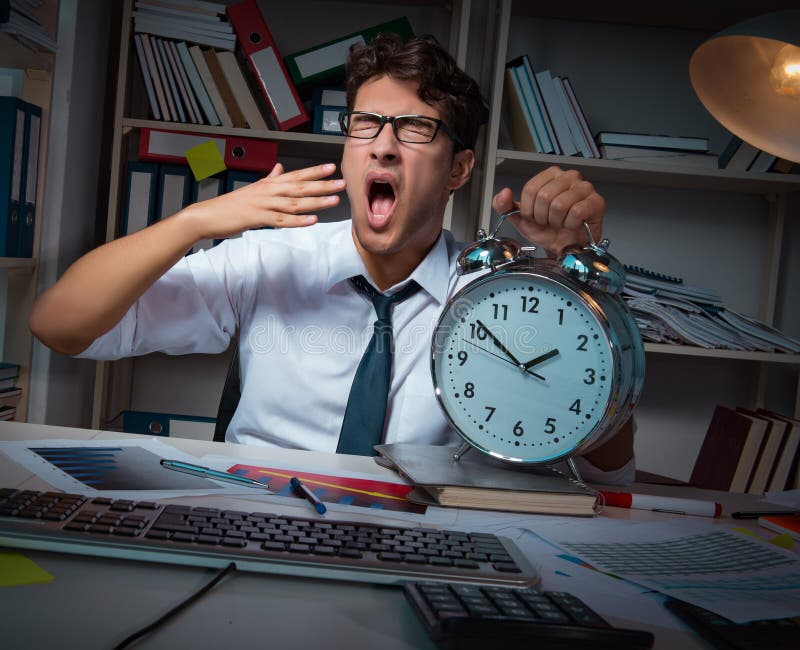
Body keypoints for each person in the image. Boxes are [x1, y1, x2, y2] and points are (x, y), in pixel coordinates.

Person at [29, 34, 635, 483]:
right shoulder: (269, 259)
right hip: (256, 522)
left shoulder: (504, 299)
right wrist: (196, 220)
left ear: (458, 168)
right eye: (366, 124)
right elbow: (59, 325)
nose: (385, 147)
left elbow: (609, 469)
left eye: (415, 129)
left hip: (419, 545)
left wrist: (583, 290)